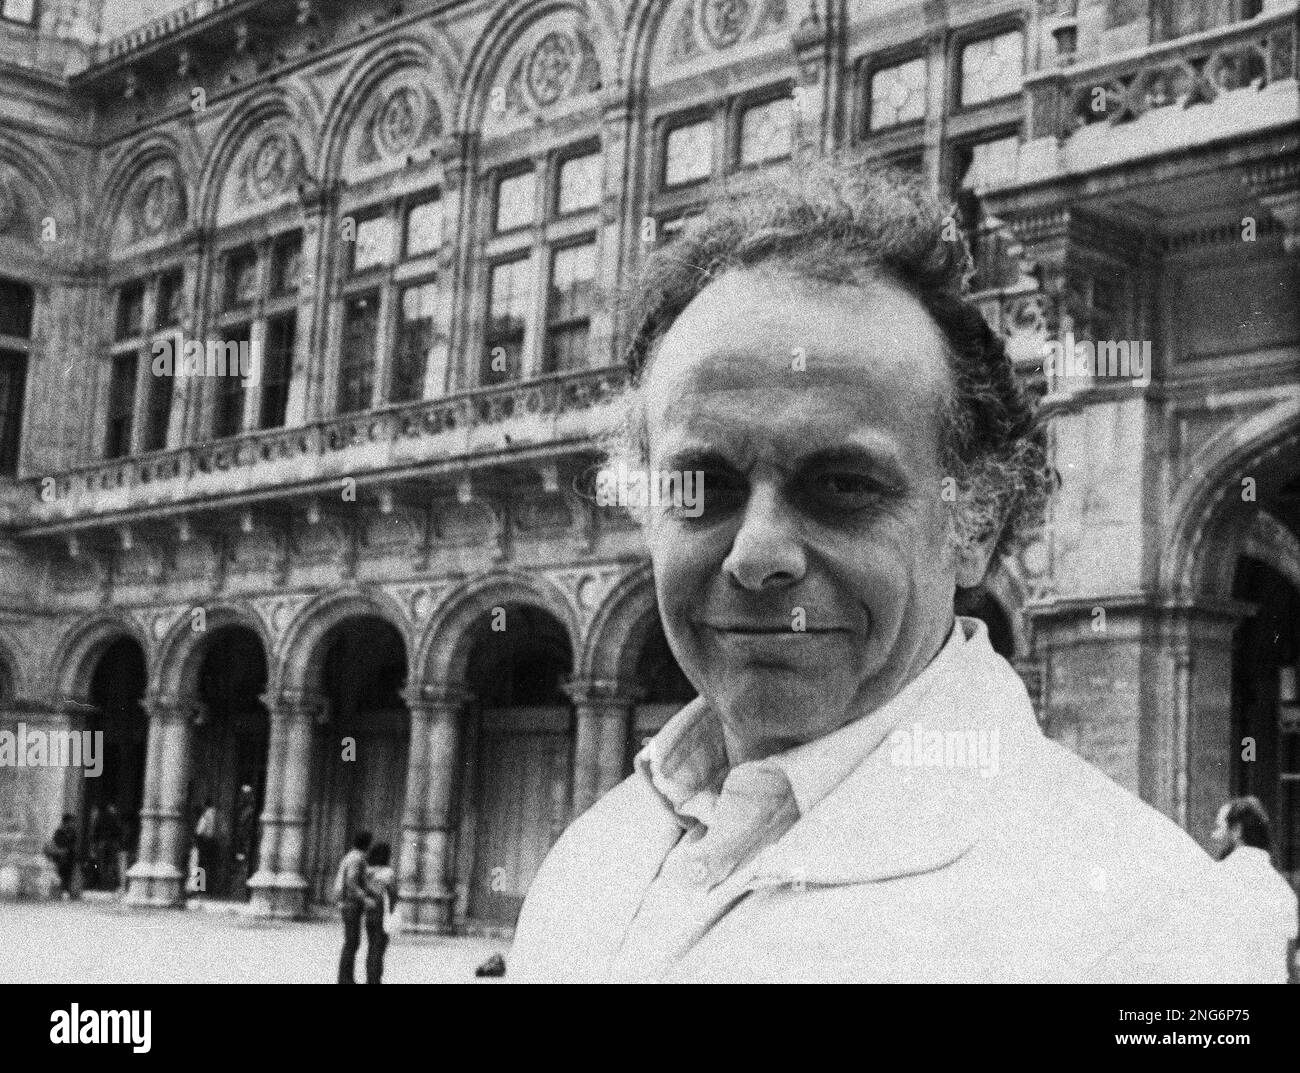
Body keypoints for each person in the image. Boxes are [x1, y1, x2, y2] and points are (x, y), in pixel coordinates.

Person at [509, 153, 1280, 983]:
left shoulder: (1148, 936)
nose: (757, 553)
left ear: (975, 521)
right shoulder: (594, 857)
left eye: (842, 486)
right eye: (706, 487)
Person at [1212, 796, 1299, 984]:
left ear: (1236, 831)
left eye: (1219, 827)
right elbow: (1290, 968)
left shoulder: (1214, 880)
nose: (1214, 836)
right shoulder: (1284, 892)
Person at [333, 830, 375, 984]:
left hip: (348, 904)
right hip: (351, 904)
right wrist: (365, 899)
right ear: (366, 844)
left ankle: (346, 978)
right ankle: (345, 979)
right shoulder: (356, 858)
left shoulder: (352, 856)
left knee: (352, 941)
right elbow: (351, 882)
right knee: (352, 942)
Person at [363, 842, 398, 985]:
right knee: (379, 949)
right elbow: (394, 893)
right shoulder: (388, 873)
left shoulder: (367, 871)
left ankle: (369, 979)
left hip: (369, 912)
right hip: (382, 913)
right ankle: (375, 980)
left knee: (371, 947)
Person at [231, 785, 258, 899]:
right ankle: (199, 888)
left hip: (244, 842)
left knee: (201, 866)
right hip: (241, 841)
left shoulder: (248, 811)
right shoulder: (242, 810)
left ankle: (199, 888)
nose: (242, 798)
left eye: (244, 796)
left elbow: (244, 827)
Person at [45, 814, 78, 900]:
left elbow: (73, 844)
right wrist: (61, 850)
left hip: (69, 857)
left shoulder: (72, 832)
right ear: (66, 822)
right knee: (61, 874)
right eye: (71, 822)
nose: (72, 824)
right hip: (60, 857)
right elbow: (56, 842)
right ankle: (59, 891)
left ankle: (66, 891)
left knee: (68, 875)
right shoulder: (59, 832)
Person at [94, 804, 125, 892]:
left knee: (105, 865)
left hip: (106, 843)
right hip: (108, 844)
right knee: (106, 865)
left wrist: (96, 843)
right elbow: (119, 832)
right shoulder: (113, 820)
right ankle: (107, 885)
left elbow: (96, 832)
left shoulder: (101, 819)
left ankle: (105, 884)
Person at [192, 799, 217, 896]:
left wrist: (196, 838)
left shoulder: (206, 815)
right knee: (207, 865)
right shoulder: (214, 814)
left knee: (200, 865)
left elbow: (199, 831)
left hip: (204, 841)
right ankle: (206, 888)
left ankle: (199, 888)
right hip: (211, 841)